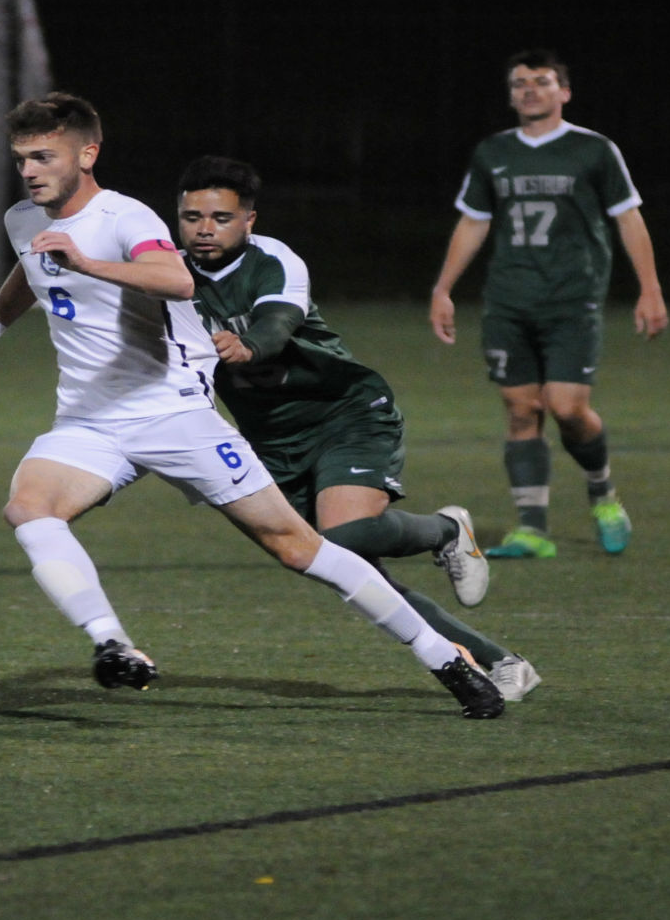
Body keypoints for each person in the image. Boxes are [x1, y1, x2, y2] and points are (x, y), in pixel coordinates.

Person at [0, 93, 506, 718]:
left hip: (175, 414)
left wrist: (86, 261)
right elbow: (32, 269)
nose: (29, 170)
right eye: (22, 158)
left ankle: (446, 658)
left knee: (299, 548)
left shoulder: (125, 218)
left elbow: (176, 280)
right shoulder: (23, 218)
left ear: (87, 153)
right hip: (88, 422)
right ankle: (113, 645)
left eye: (43, 156)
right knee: (29, 509)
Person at [178, 155, 540, 701]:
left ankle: (444, 531)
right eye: (191, 217)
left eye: (220, 217)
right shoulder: (165, 278)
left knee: (340, 538)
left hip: (343, 413)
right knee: (350, 574)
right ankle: (500, 661)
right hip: (269, 443)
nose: (204, 228)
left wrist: (249, 343)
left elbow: (277, 323)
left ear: (249, 219)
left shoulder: (274, 260)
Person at [429, 48, 668, 559]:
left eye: (541, 81)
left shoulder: (594, 150)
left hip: (571, 299)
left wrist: (649, 288)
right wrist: (443, 288)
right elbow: (474, 220)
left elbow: (629, 218)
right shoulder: (493, 152)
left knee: (567, 409)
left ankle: (602, 492)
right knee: (520, 409)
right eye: (519, 83)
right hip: (509, 301)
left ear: (564, 91)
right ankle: (532, 529)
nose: (529, 90)